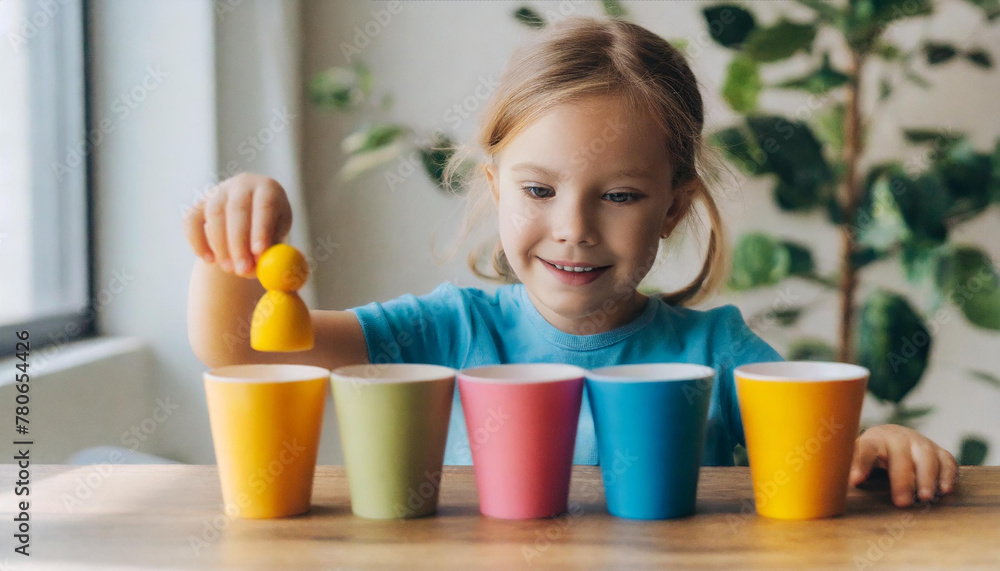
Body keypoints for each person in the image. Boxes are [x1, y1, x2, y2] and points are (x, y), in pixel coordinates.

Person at [184, 17, 957, 508]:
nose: (573, 228)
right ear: (494, 189)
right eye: (538, 189)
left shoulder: (718, 351)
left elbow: (823, 459)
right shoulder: (448, 331)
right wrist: (236, 240)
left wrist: (878, 448)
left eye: (619, 195)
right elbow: (241, 347)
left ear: (675, 207)